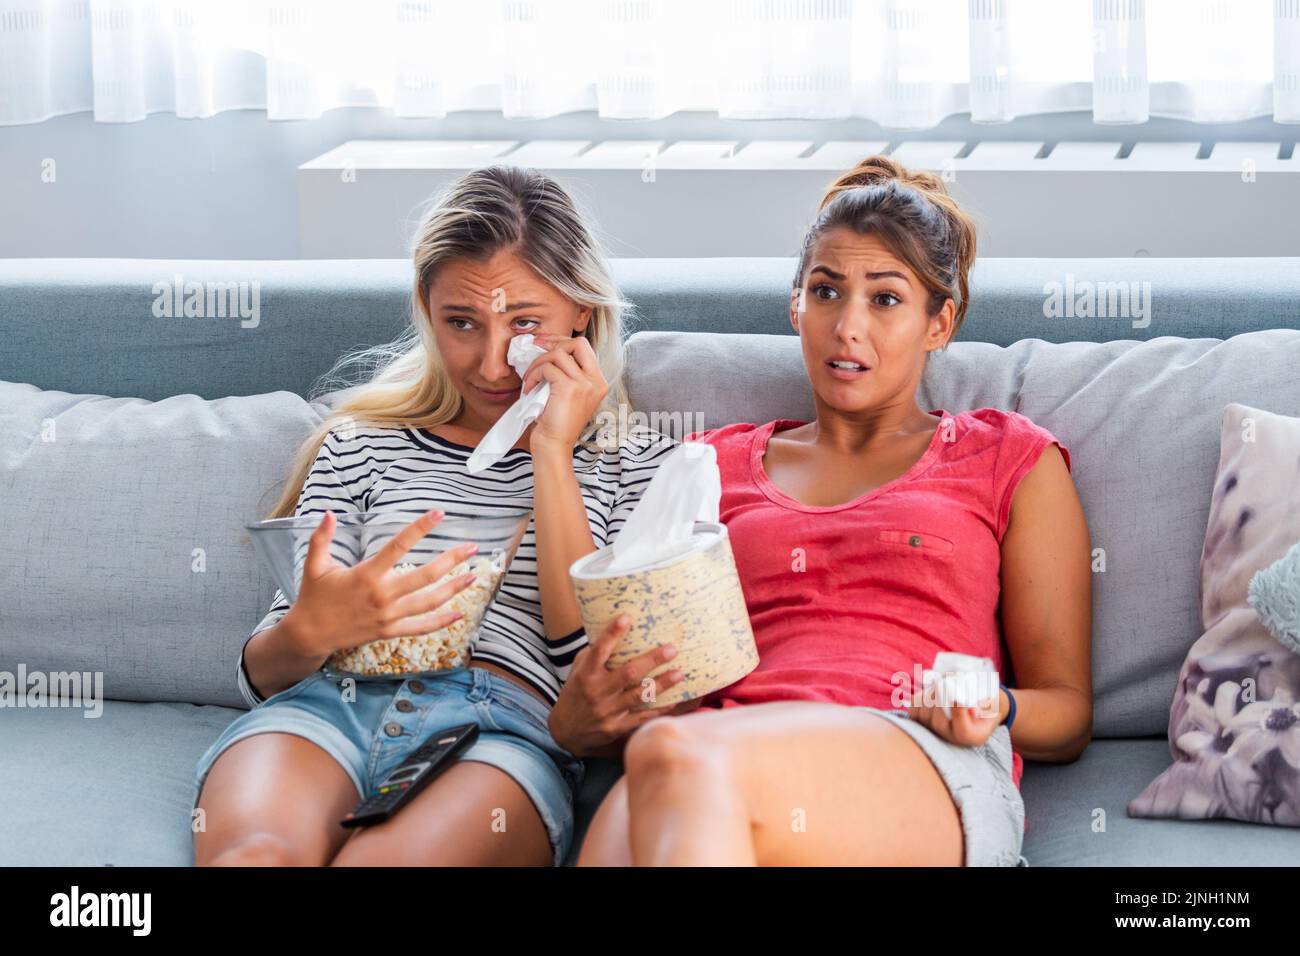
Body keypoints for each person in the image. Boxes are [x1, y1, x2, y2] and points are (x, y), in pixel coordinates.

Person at [575, 155, 1094, 866]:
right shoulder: (708, 463)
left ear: (939, 322)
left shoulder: (1009, 457)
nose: (848, 325)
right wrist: (587, 715)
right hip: (714, 749)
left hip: (918, 754)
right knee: (647, 785)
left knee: (668, 761)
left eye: (885, 299)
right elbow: (643, 662)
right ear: (797, 306)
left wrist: (991, 707)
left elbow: (1066, 715)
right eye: (826, 292)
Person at [192, 165, 683, 867]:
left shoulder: (632, 463)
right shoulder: (361, 443)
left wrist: (551, 450)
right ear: (426, 308)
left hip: (496, 733)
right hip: (328, 705)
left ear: (579, 312)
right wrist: (314, 628)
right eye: (461, 323)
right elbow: (264, 677)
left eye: (524, 326)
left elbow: (590, 667)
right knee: (253, 859)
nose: (491, 365)